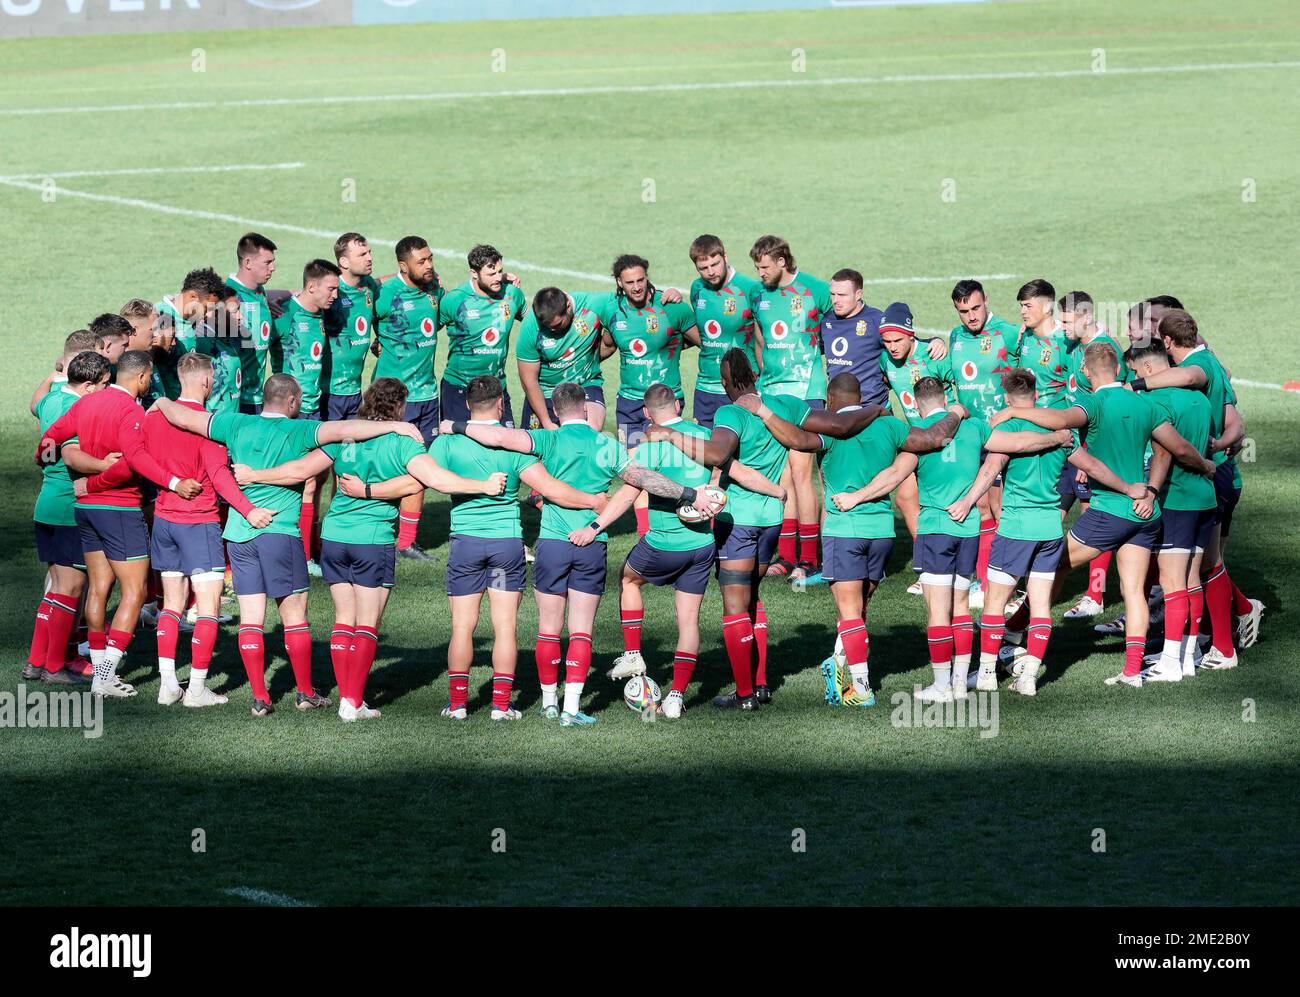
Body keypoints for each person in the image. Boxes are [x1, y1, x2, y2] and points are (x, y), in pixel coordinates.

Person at [151, 373, 425, 717]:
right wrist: (394, 427)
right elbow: (345, 431)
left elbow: (185, 417)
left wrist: (160, 402)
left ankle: (260, 698)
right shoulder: (301, 430)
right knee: (294, 615)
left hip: (238, 533)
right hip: (279, 531)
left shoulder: (234, 423)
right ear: (293, 402)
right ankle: (306, 692)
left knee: (251, 618)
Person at [235, 377, 508, 721]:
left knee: (343, 620)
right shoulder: (401, 441)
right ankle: (352, 701)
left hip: (335, 539)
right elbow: (436, 479)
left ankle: (347, 696)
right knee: (366, 623)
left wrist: (255, 475)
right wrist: (481, 485)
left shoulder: (346, 438)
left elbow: (301, 470)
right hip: (373, 540)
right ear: (397, 408)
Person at [447, 380, 717, 724]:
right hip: (590, 545)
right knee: (581, 631)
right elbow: (642, 481)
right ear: (586, 409)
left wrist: (454, 425)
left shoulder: (547, 439)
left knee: (548, 628)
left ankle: (547, 702)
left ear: (556, 411)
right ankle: (572, 709)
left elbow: (497, 436)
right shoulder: (606, 446)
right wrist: (689, 496)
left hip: (553, 544)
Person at [645, 349, 878, 710]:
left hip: (737, 521)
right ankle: (761, 684)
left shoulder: (730, 412)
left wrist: (672, 437)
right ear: (755, 373)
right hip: (773, 521)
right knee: (754, 598)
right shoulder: (785, 403)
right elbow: (839, 425)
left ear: (725, 383)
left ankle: (744, 695)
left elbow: (716, 453)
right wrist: (876, 409)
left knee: (735, 608)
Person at [990, 341, 1215, 687]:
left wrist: (1015, 412)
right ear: (1120, 370)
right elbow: (1173, 450)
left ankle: (1014, 633)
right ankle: (1131, 672)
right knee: (1133, 590)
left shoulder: (1092, 402)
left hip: (1109, 511)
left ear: (1084, 371)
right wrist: (1195, 469)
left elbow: (1060, 420)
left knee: (1052, 565)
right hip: (1144, 511)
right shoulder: (1144, 404)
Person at [757, 372, 962, 709]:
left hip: (844, 530)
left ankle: (862, 687)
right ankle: (840, 660)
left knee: (849, 612)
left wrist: (764, 412)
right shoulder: (891, 426)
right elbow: (933, 439)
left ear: (830, 400)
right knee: (861, 607)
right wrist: (955, 412)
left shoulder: (828, 430)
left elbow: (795, 439)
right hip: (882, 532)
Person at [581, 384, 779, 719]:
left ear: (646, 413)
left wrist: (596, 526)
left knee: (628, 580)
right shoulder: (704, 436)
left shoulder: (651, 443)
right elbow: (737, 472)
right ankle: (675, 696)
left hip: (662, 543)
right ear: (679, 404)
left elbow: (629, 493)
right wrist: (777, 490)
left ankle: (632, 653)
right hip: (702, 546)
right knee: (688, 621)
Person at [91, 352, 272, 707]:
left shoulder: (154, 418)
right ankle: (197, 689)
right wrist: (249, 510)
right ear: (207, 381)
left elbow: (137, 459)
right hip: (199, 522)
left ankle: (168, 683)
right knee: (207, 608)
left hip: (164, 521)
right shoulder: (206, 423)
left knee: (170, 606)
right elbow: (220, 476)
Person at [37, 350, 203, 698]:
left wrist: (46, 460)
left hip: (85, 510)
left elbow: (49, 441)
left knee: (98, 588)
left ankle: (99, 671)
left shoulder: (86, 403)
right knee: (135, 591)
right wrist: (173, 483)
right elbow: (134, 462)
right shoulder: (131, 411)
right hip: (120, 510)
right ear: (143, 378)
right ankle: (106, 676)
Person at [1129, 308, 1255, 668]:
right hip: (1217, 470)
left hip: (1200, 477)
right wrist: (1218, 444)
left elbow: (1187, 375)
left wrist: (1137, 385)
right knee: (1203, 566)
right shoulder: (1216, 366)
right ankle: (1197, 644)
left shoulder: (1198, 367)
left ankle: (1216, 648)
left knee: (1198, 568)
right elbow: (1237, 424)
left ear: (1168, 342)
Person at [943, 370, 1076, 694]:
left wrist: (967, 501)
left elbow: (991, 468)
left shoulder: (1008, 426)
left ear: (1005, 398)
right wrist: (1129, 487)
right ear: (1036, 395)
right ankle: (1029, 677)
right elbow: (1089, 464)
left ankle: (987, 674)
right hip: (1050, 528)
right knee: (1041, 604)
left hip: (1017, 528)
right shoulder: (1060, 426)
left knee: (994, 602)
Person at [1125, 342, 1217, 681]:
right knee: (1192, 581)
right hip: (1205, 500)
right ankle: (1189, 654)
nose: (1135, 378)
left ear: (1149, 369)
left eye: (1136, 372)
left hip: (1176, 499)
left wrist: (1151, 490)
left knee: (1172, 582)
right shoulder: (1201, 400)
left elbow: (1169, 453)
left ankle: (1169, 662)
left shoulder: (1156, 400)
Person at [26, 352, 113, 684]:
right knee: (71, 588)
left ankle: (36, 662)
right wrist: (106, 465)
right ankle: (53, 667)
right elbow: (71, 455)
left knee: (56, 589)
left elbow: (45, 451)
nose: (108, 390)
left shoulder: (52, 399)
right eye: (105, 384)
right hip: (66, 506)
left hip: (47, 502)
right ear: (89, 386)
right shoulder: (75, 408)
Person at [748, 234, 831, 581]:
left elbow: (842, 320)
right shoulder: (758, 295)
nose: (760, 273)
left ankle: (809, 559)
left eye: (764, 267)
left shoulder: (815, 289)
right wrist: (763, 379)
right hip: (773, 394)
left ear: (782, 261)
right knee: (782, 474)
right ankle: (786, 553)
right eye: (756, 267)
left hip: (807, 393)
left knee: (801, 473)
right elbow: (759, 338)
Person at [599, 253, 697, 535]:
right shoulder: (612, 310)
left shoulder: (671, 307)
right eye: (630, 282)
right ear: (620, 282)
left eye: (641, 280)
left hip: (666, 402)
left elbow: (701, 340)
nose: (637, 286)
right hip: (630, 404)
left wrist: (673, 347)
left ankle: (682, 525)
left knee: (671, 465)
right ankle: (646, 534)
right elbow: (607, 345)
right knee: (636, 469)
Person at [1057, 290, 1128, 620]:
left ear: (1086, 317)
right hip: (1070, 449)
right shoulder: (1074, 345)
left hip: (1089, 453)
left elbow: (1114, 405)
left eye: (1068, 320)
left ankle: (1094, 595)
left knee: (1094, 524)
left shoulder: (1106, 350)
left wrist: (1090, 455)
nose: (1062, 325)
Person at [374, 235, 444, 561]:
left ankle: (406, 542)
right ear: (403, 266)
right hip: (393, 399)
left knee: (420, 469)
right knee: (385, 467)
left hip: (428, 397)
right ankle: (377, 533)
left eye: (430, 258)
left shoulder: (434, 291)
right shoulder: (386, 293)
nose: (429, 265)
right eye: (422, 261)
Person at [275, 258, 342, 572]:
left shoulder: (320, 314)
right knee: (304, 483)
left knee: (318, 477)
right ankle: (301, 556)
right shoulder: (286, 313)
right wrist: (269, 296)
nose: (335, 296)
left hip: (315, 408)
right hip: (290, 415)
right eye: (330, 289)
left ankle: (311, 547)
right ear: (311, 286)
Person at [439, 244, 527, 427]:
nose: (498, 278)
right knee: (460, 449)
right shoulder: (456, 300)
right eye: (491, 274)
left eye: (500, 272)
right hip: (460, 388)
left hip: (496, 388)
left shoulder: (512, 294)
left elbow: (532, 322)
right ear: (474, 273)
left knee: (506, 447)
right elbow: (428, 330)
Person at [686, 234, 761, 429]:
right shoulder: (697, 289)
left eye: (715, 264)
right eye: (703, 268)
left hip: (741, 386)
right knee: (704, 452)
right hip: (706, 386)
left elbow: (763, 337)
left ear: (725, 256)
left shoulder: (749, 289)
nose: (710, 272)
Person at [226, 232, 278, 416]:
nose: (273, 268)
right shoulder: (228, 298)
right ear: (248, 263)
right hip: (236, 400)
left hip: (257, 396)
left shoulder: (259, 291)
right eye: (268, 262)